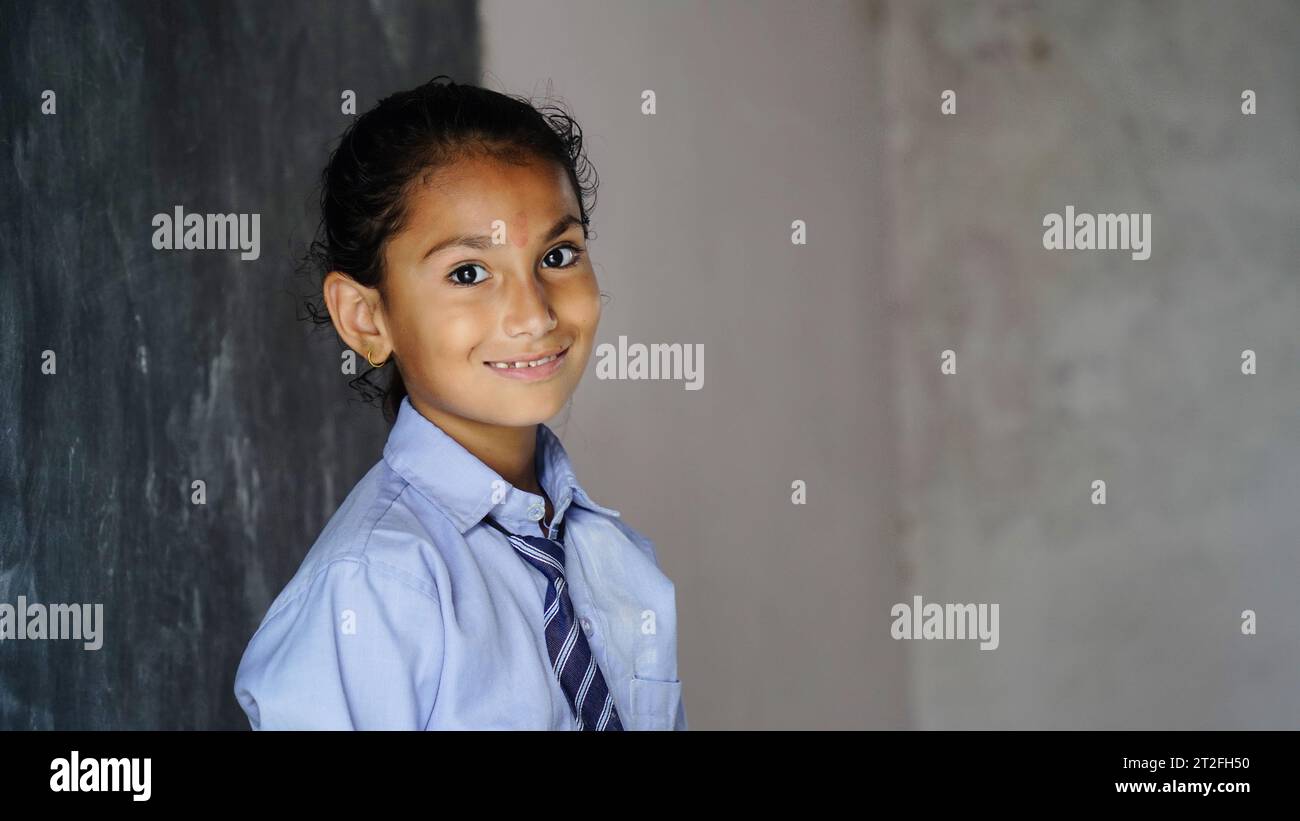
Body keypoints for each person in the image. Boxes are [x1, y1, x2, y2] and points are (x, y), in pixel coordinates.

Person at [233, 75, 685, 730]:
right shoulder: (371, 588)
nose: (532, 314)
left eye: (558, 255)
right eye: (468, 273)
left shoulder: (616, 558)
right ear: (365, 318)